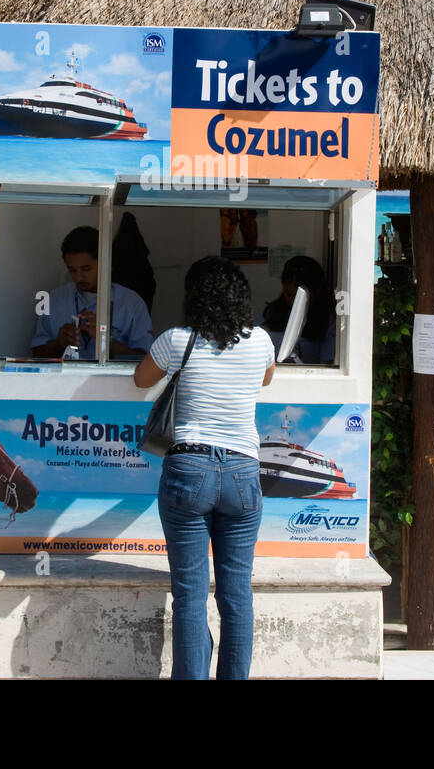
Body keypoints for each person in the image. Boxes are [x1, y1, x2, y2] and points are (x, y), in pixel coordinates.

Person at [133, 257, 275, 680]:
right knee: (236, 595)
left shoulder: (178, 340)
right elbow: (265, 381)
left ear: (193, 296)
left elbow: (141, 380)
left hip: (189, 468)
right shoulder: (262, 341)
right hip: (243, 473)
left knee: (190, 597)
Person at [31, 226, 153, 360]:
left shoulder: (132, 303)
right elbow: (36, 355)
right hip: (65, 380)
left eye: (86, 269)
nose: (78, 277)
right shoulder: (53, 300)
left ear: (105, 263)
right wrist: (58, 343)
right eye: (72, 270)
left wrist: (107, 342)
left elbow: (147, 360)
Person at [260, 255, 336, 364]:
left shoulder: (327, 323)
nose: (295, 303)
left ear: (316, 291)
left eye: (301, 297)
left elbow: (328, 363)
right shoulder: (271, 315)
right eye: (290, 295)